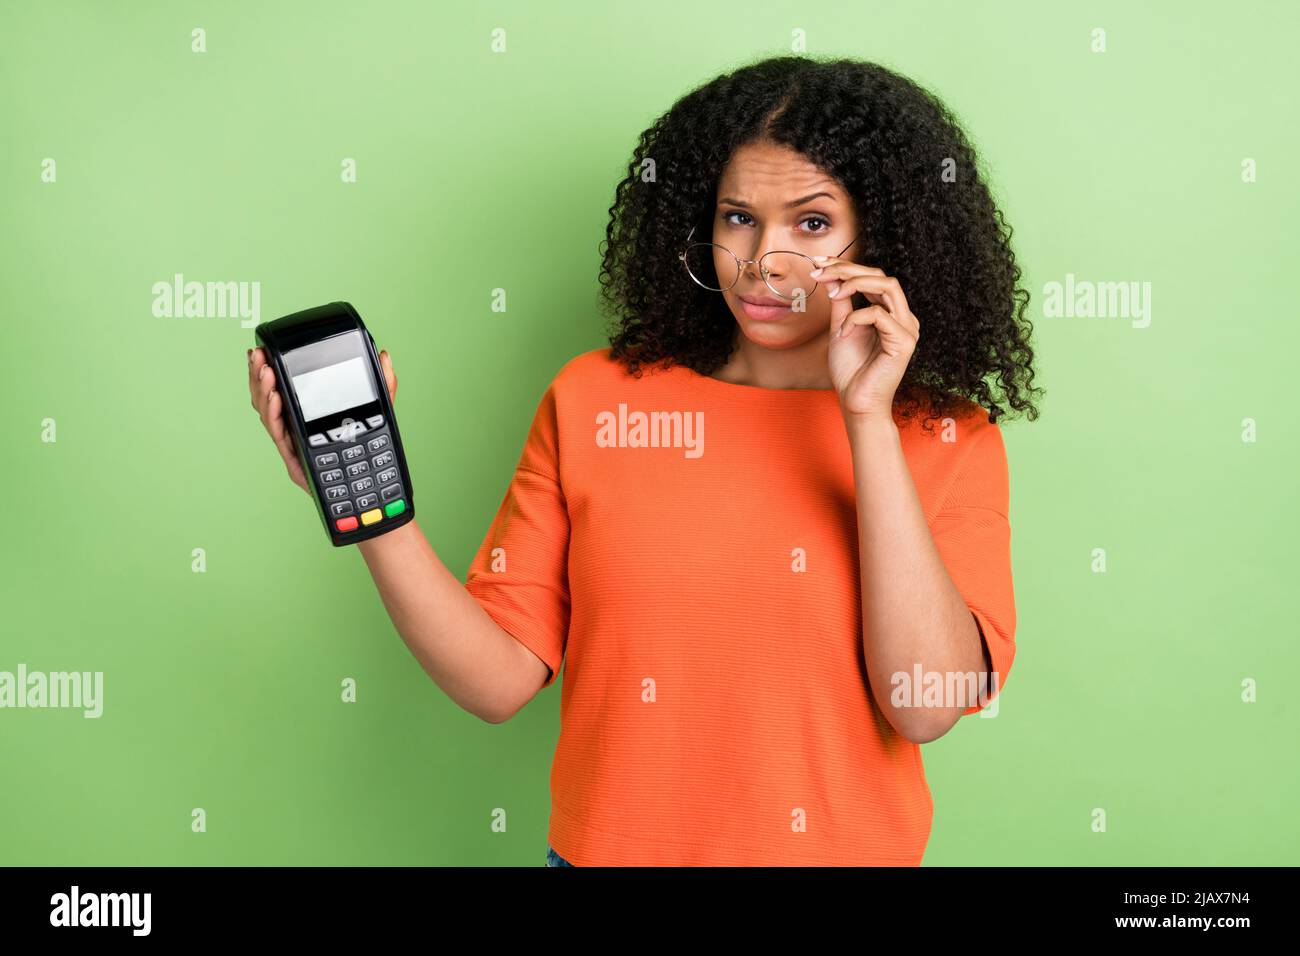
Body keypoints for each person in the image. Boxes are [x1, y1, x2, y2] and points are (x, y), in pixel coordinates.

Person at [247, 54, 1041, 867]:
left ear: (883, 233)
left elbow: (924, 707)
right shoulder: (593, 401)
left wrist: (867, 418)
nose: (762, 261)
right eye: (737, 217)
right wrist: (371, 515)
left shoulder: (948, 436)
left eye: (810, 223)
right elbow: (497, 681)